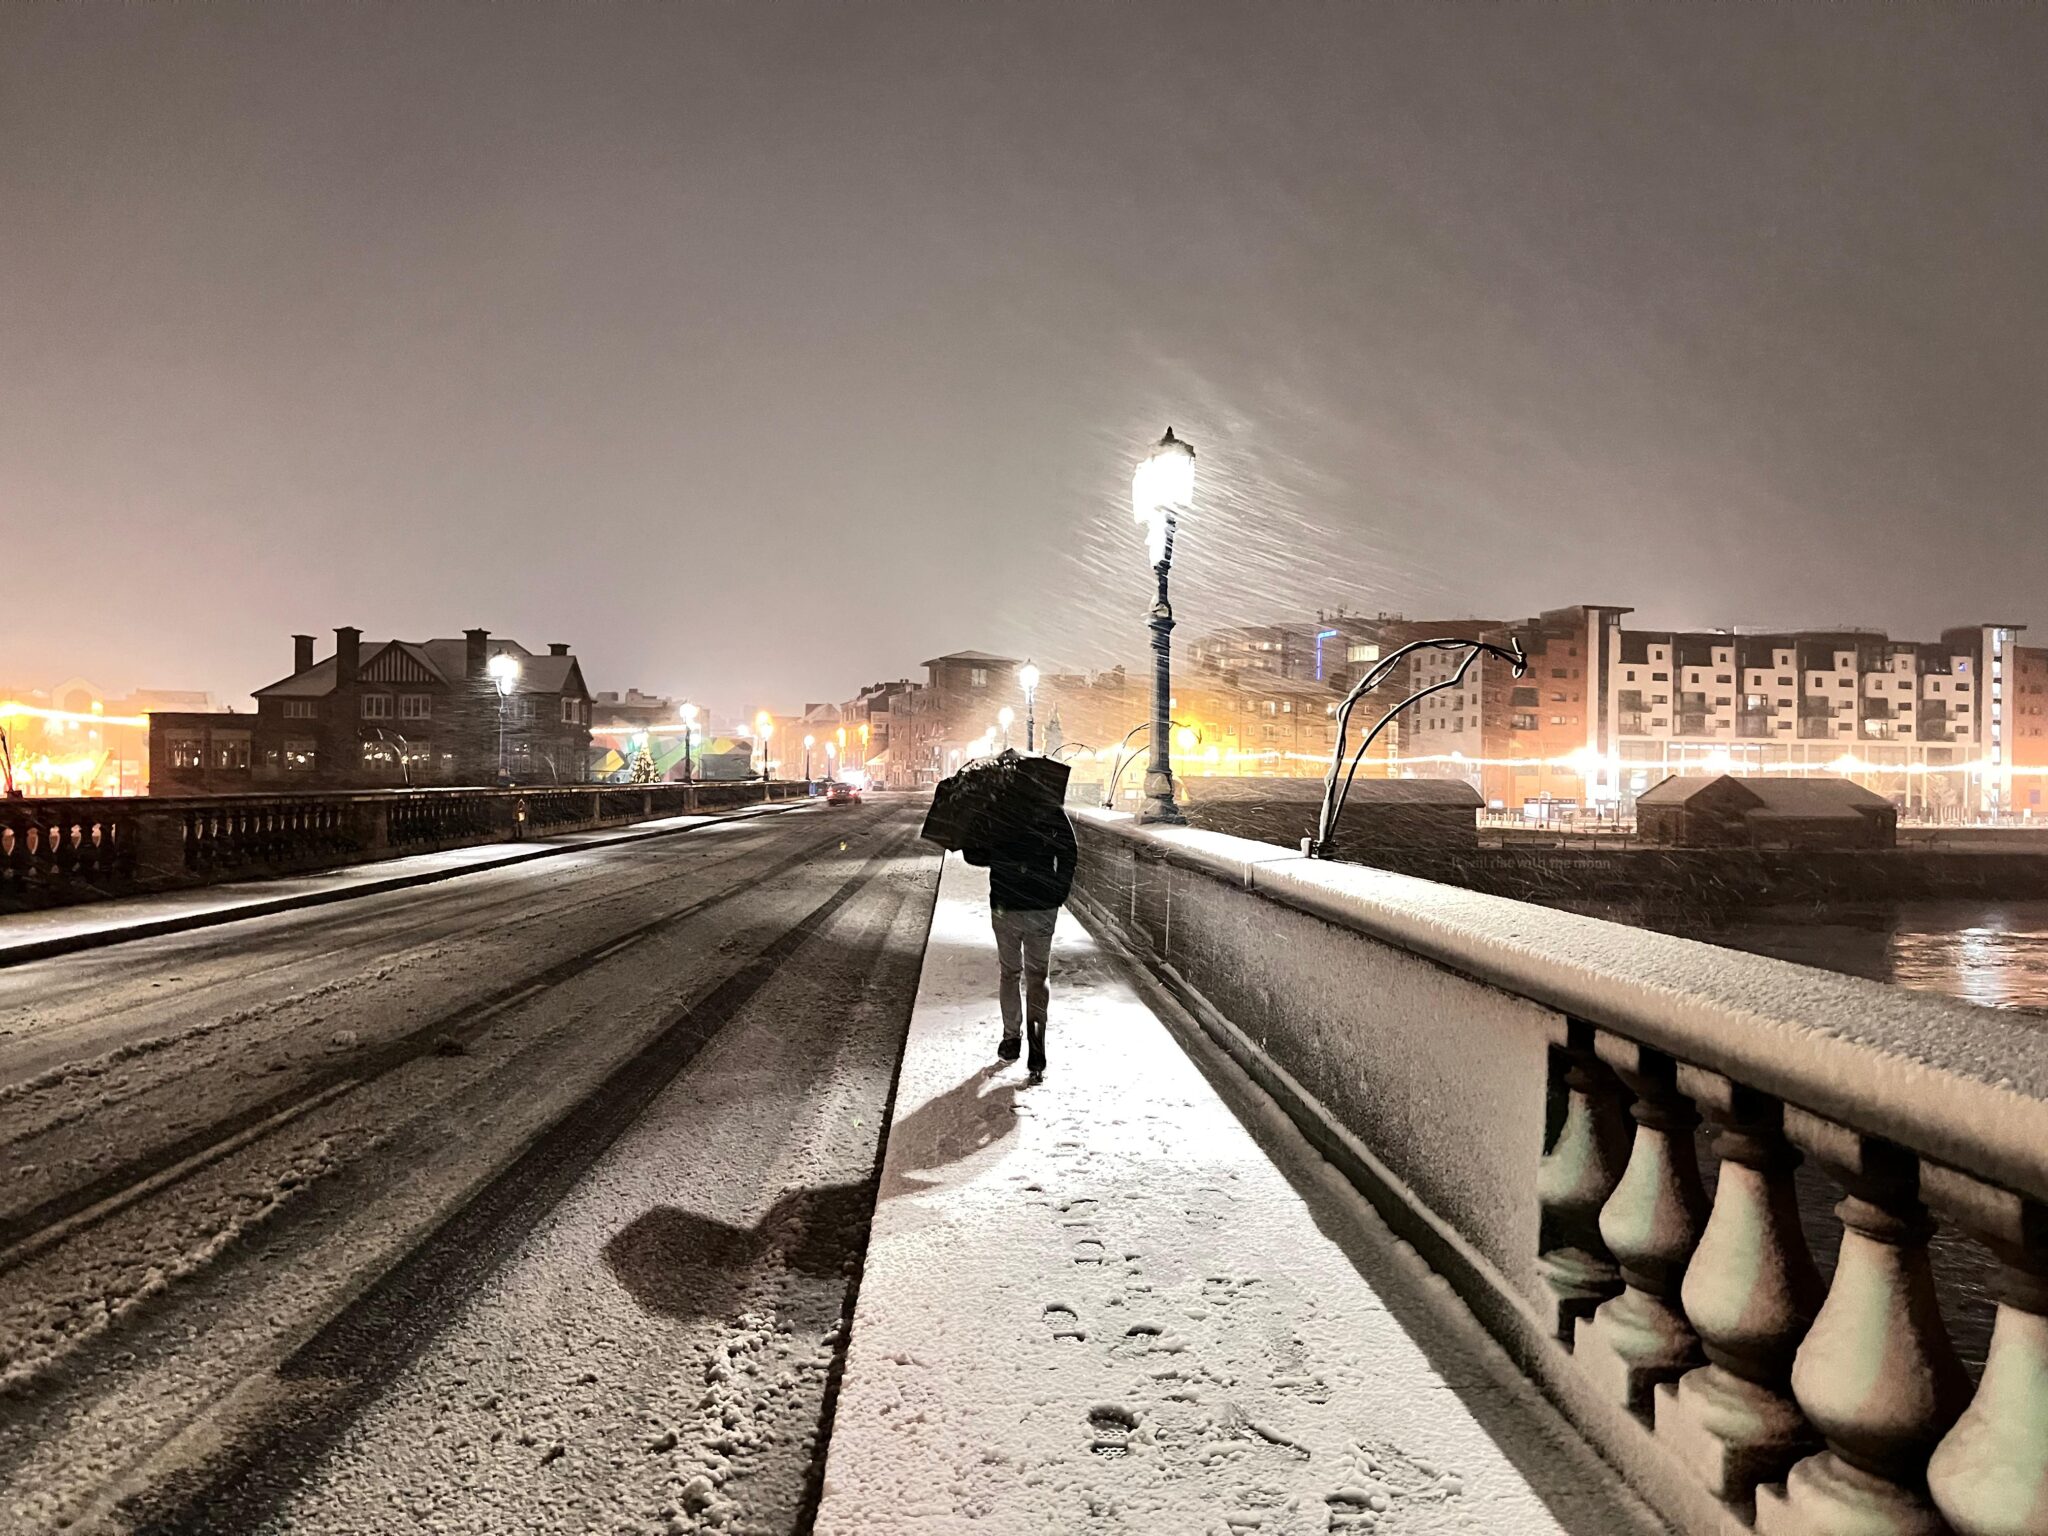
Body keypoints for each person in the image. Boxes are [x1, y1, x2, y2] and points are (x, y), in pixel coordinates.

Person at [962, 769, 1078, 1081]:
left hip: (1006, 904)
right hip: (1041, 904)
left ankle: (1011, 1039)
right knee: (1038, 976)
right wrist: (1059, 891)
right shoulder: (1051, 809)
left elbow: (973, 855)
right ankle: (1036, 1046)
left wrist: (991, 843)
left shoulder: (996, 810)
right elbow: (1070, 851)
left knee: (1009, 973)